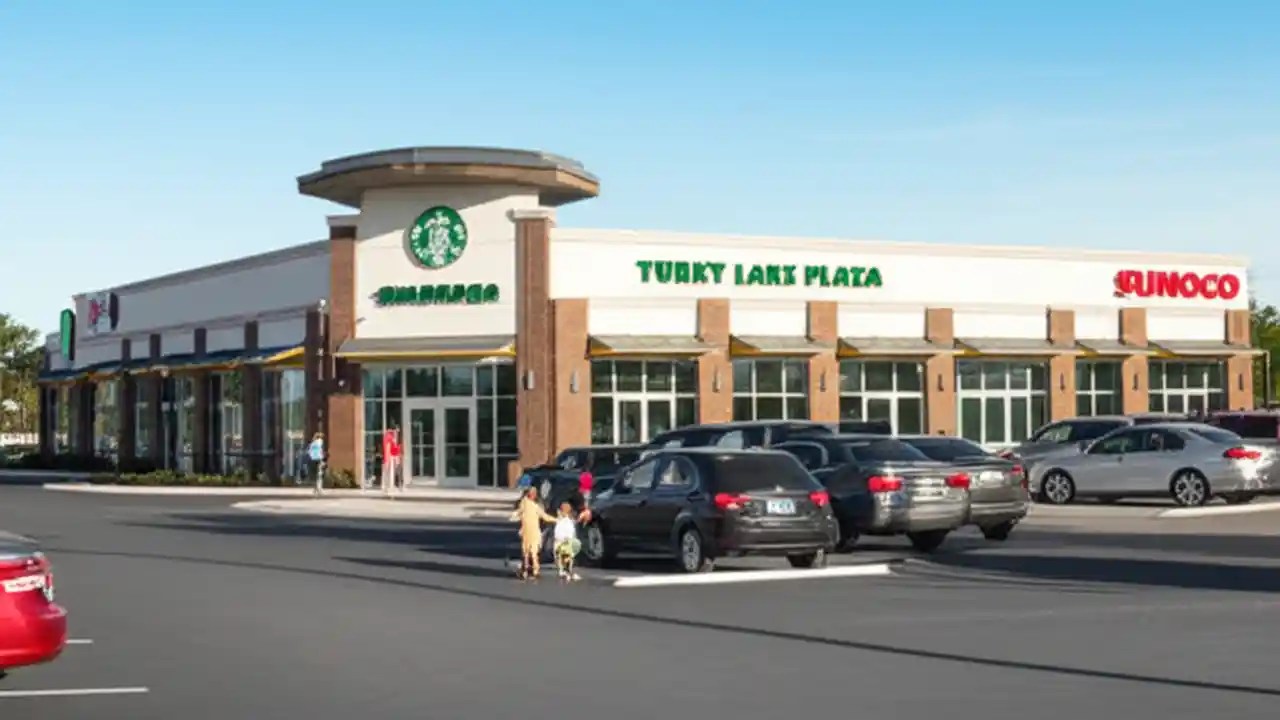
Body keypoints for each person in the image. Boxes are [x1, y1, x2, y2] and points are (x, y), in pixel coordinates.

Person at [510, 487, 556, 580]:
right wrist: (556, 519)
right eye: (533, 494)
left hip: (528, 531)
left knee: (527, 552)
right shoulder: (533, 506)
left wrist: (514, 516)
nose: (534, 495)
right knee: (532, 552)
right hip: (532, 531)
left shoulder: (525, 504)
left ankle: (528, 570)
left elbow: (518, 513)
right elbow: (545, 516)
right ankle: (533, 570)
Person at [553, 502, 583, 581]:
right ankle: (566, 571)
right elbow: (570, 532)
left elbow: (559, 532)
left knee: (564, 557)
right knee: (565, 557)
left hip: (563, 541)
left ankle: (565, 571)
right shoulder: (566, 521)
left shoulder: (564, 520)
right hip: (564, 541)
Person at [382, 426, 402, 496]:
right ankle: (389, 487)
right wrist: (388, 460)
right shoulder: (390, 437)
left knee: (388, 473)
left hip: (390, 458)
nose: (397, 433)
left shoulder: (388, 437)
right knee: (390, 473)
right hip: (390, 458)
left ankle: (387, 487)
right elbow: (389, 449)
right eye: (396, 431)